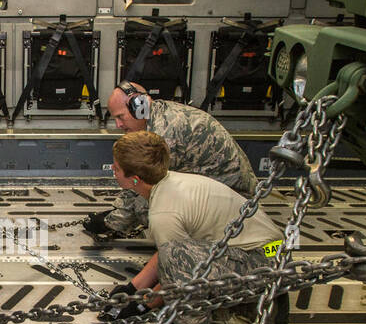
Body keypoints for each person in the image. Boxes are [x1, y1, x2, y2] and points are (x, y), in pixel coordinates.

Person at [106, 131, 287, 324]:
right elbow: (166, 252)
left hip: (266, 261)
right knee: (175, 255)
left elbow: (173, 261)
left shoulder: (165, 212)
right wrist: (134, 288)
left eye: (117, 168)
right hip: (272, 251)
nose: (112, 168)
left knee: (176, 259)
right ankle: (252, 308)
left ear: (136, 179)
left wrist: (142, 306)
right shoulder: (171, 180)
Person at [84, 81, 257, 237]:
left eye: (120, 117)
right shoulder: (160, 115)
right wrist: (116, 210)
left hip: (234, 201)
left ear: (140, 107)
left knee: (147, 207)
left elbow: (144, 185)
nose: (118, 125)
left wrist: (111, 223)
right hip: (221, 190)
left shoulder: (164, 133)